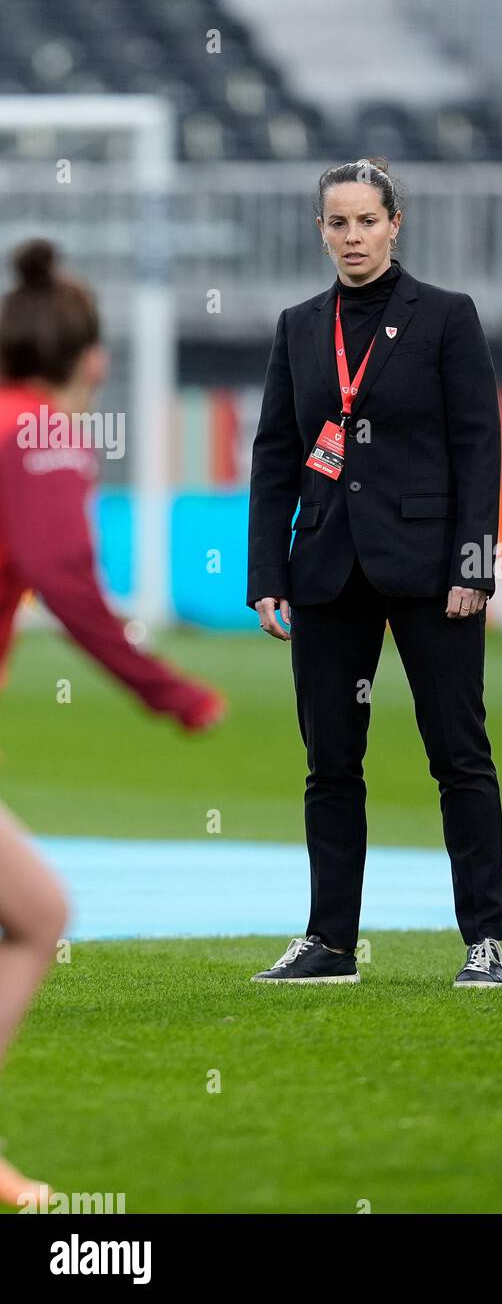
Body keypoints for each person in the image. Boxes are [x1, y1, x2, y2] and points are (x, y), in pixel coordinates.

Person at [0, 239, 224, 1206]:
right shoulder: (41, 433)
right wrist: (164, 690)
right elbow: (68, 584)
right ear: (92, 360)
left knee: (33, 913)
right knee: (38, 917)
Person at [247, 159, 502, 988]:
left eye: (366, 221)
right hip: (325, 569)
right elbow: (276, 456)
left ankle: (484, 943)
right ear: (319, 230)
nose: (352, 237)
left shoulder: (446, 317)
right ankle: (330, 944)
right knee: (330, 763)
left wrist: (474, 564)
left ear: (397, 223)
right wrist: (266, 574)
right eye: (337, 223)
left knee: (458, 756)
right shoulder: (296, 325)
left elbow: (478, 445)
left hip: (432, 573)